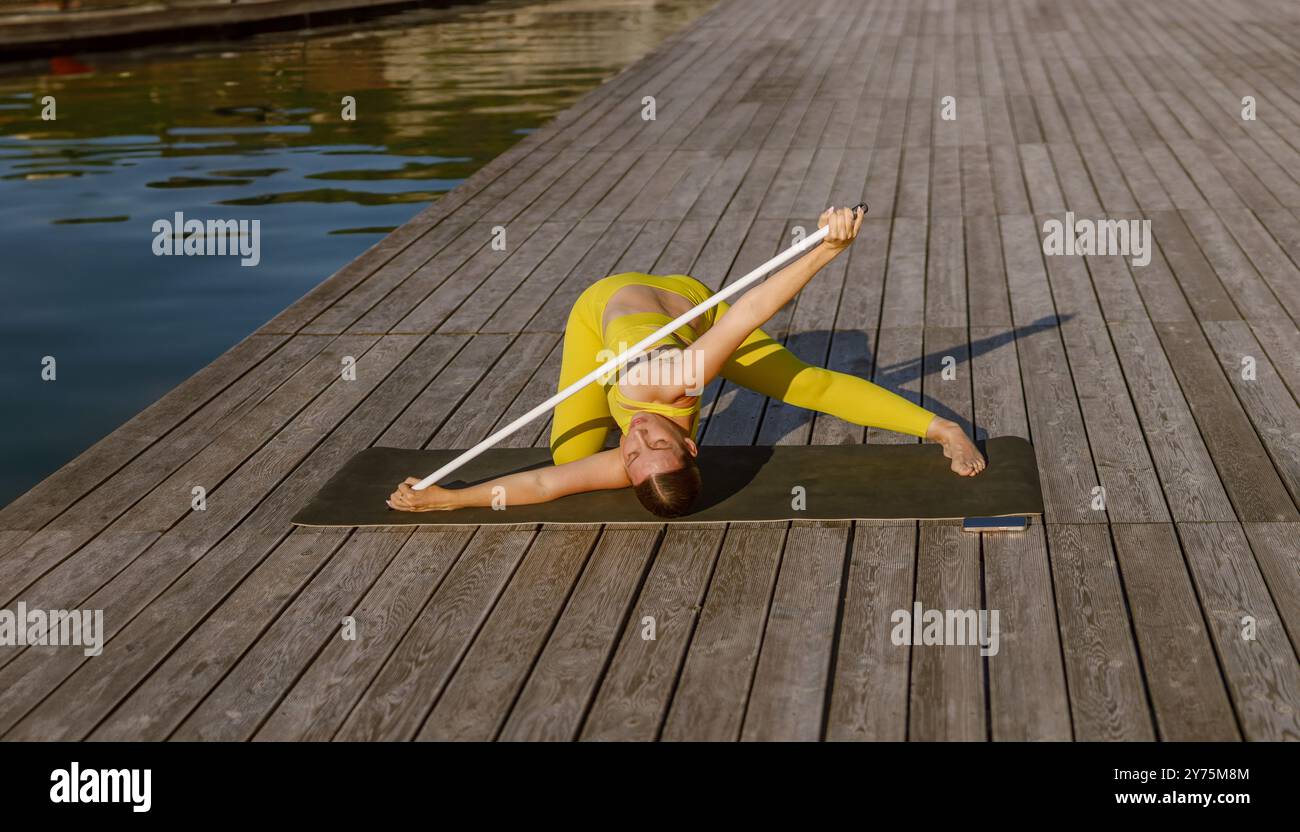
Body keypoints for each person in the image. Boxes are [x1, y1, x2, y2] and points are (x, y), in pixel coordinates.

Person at [389, 206, 985, 517]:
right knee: (802, 382)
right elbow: (746, 312)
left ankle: (941, 429)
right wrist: (828, 249)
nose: (638, 438)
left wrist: (449, 498)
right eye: (656, 447)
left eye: (631, 454)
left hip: (612, 320)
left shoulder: (635, 454)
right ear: (690, 447)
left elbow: (545, 482)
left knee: (569, 455)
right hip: (675, 310)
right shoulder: (676, 380)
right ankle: (943, 427)